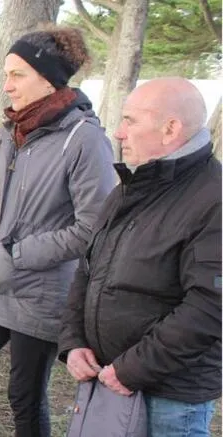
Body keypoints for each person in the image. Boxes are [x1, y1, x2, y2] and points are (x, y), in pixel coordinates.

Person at [0, 27, 115, 437]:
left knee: (24, 399)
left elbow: (96, 225)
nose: (6, 86)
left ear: (47, 79)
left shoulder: (84, 140)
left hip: (41, 292)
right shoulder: (8, 133)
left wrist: (19, 253)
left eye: (17, 75)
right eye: (6, 75)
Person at [59, 77, 221, 436]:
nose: (118, 133)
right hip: (108, 382)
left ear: (170, 129)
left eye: (130, 120)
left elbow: (210, 306)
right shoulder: (129, 190)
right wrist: (74, 342)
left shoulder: (214, 198)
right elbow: (87, 271)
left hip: (170, 399)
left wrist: (131, 369)